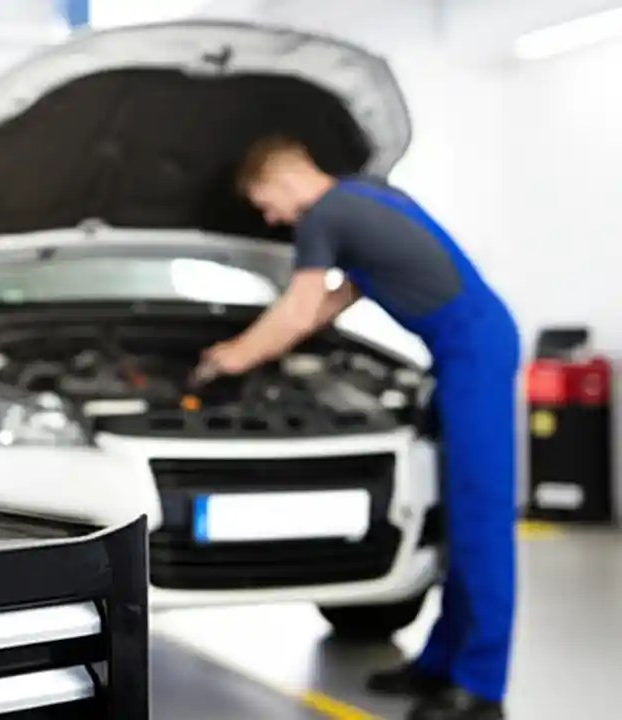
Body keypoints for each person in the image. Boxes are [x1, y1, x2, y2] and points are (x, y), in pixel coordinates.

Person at [198, 136, 519, 720]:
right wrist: (257, 346)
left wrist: (232, 358)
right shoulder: (368, 197)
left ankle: (482, 689)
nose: (270, 217)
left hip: (475, 351)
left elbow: (298, 310)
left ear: (280, 178)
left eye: (263, 202)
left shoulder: (324, 215)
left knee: (482, 520)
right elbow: (333, 302)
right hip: (464, 349)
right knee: (457, 521)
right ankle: (439, 666)